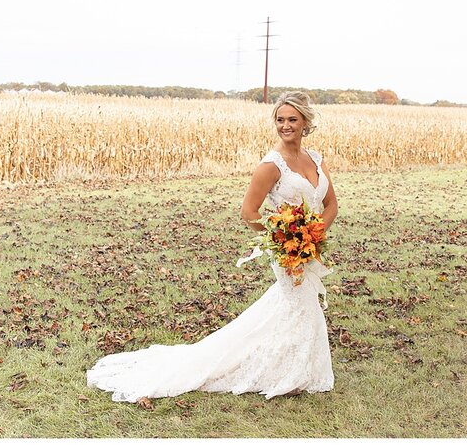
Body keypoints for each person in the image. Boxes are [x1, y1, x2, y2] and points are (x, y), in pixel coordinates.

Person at [87, 91, 339, 402]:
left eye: (292, 120)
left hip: (310, 246)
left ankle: (297, 367)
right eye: (280, 120)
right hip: (286, 250)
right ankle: (291, 372)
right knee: (300, 304)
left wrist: (313, 237)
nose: (285, 125)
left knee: (301, 304)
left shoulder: (316, 159)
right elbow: (248, 212)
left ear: (305, 122)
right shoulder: (271, 165)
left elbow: (330, 204)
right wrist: (282, 242)